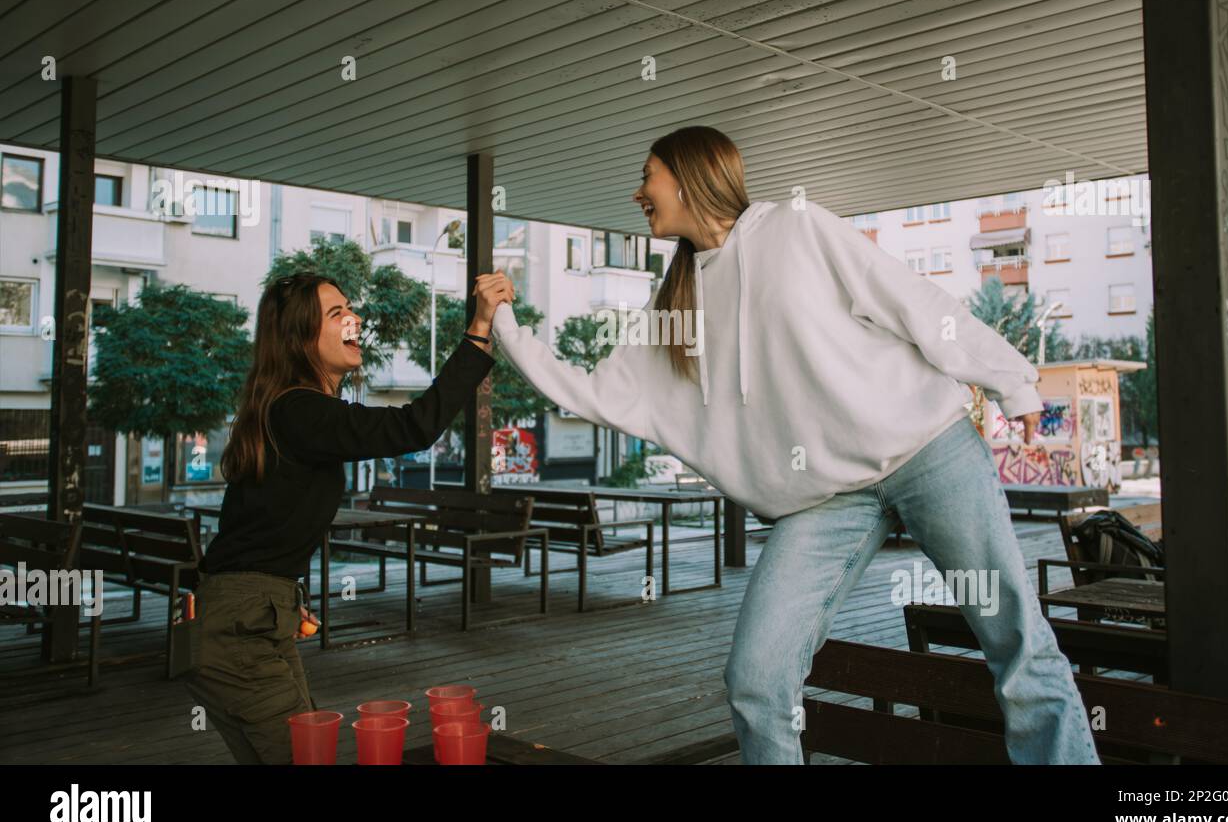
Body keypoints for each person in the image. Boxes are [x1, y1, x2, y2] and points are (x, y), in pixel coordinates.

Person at [489, 125, 1100, 764]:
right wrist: (506, 324)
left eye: (649, 174)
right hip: (827, 502)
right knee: (756, 678)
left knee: (1016, 643)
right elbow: (593, 392)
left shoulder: (796, 229)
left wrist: (1012, 380)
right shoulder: (676, 304)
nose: (638, 191)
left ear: (691, 174)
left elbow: (911, 299)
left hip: (927, 450)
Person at [185, 269, 513, 764]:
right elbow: (416, 426)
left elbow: (253, 527)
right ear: (299, 338)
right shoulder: (298, 410)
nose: (353, 318)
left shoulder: (288, 409)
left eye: (349, 308)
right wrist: (480, 325)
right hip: (242, 631)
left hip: (249, 618)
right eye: (335, 313)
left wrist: (281, 598)